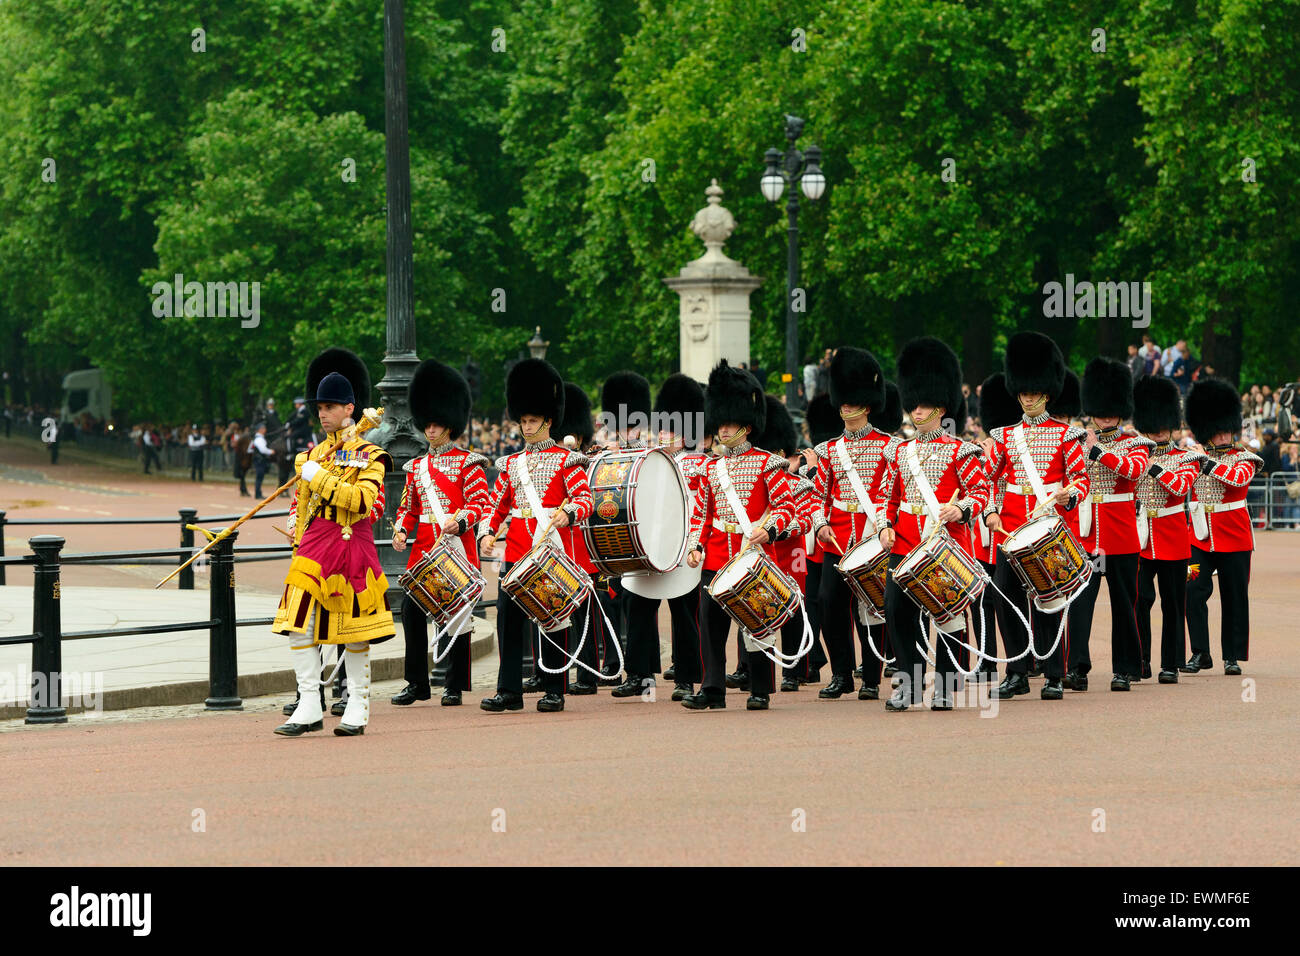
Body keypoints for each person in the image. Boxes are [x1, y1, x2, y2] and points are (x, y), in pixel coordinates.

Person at [272, 348, 394, 737]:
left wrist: (317, 476)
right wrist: (295, 521)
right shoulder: (315, 453)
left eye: (329, 407)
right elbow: (299, 502)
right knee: (297, 621)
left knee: (353, 630)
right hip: (313, 543)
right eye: (319, 406)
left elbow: (362, 502)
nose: (321, 413)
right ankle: (309, 703)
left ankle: (358, 703)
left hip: (350, 542)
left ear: (349, 408)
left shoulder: (371, 454)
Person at [477, 358, 594, 714]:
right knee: (508, 620)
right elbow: (497, 505)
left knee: (553, 616)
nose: (526, 427)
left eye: (532, 421)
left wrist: (567, 512)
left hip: (551, 549)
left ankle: (554, 688)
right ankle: (509, 690)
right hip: (516, 552)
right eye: (523, 421)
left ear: (548, 420)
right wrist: (487, 532)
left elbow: (585, 498)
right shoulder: (511, 464)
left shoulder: (566, 460)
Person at [883, 338, 992, 711]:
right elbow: (889, 497)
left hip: (945, 542)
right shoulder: (899, 451)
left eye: (924, 405)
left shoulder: (963, 450)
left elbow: (980, 493)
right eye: (913, 403)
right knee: (897, 612)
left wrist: (959, 508)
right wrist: (884, 525)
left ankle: (946, 685)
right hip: (904, 544)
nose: (916, 411)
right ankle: (908, 686)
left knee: (945, 616)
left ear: (941, 408)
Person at [681, 360, 796, 711]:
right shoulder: (712, 467)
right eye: (721, 423)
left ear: (746, 425)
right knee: (710, 624)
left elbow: (786, 506)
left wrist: (769, 528)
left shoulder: (767, 463)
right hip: (716, 552)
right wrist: (696, 544)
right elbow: (703, 511)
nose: (723, 430)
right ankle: (712, 687)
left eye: (729, 423)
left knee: (757, 621)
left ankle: (759, 688)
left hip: (753, 552)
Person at [982, 332, 1090, 701]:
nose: (1028, 398)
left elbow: (1081, 479)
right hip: (1011, 528)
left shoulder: (1065, 436)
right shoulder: (1005, 436)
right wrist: (992, 510)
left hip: (1047, 527)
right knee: (1004, 595)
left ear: (1046, 393)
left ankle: (1055, 675)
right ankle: (1017, 670)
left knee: (1050, 600)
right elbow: (989, 479)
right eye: (1024, 393)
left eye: (1034, 393)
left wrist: (1069, 492)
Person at [390, 360, 490, 708]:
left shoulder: (468, 463)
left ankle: (454, 684)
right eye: (427, 425)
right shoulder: (415, 466)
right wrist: (402, 530)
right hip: (424, 551)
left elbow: (481, 504)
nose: (430, 432)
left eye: (436, 425)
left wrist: (460, 521)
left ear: (450, 425)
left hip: (456, 549)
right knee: (412, 612)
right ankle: (417, 682)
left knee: (457, 616)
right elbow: (409, 508)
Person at [809, 347, 898, 701]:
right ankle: (842, 673)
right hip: (836, 537)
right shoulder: (829, 449)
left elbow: (890, 490)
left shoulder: (888, 446)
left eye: (852, 400)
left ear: (868, 403)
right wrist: (819, 524)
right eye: (842, 400)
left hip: (873, 536)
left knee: (873, 609)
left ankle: (872, 678)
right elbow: (817, 494)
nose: (845, 406)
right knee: (829, 602)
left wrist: (882, 525)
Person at [1066, 357, 1151, 692]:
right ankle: (1077, 667)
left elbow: (1132, 471)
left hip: (1121, 537)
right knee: (1080, 603)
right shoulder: (1075, 440)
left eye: (1110, 411)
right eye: (1099, 411)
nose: (1104, 417)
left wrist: (1097, 450)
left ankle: (1125, 668)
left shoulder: (1136, 442)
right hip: (1087, 536)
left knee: (1124, 604)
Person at [1182, 378, 1259, 676]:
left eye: (1228, 430)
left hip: (1236, 539)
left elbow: (1238, 479)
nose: (1225, 435)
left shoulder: (1245, 457)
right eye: (1219, 431)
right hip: (1199, 538)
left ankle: (1233, 656)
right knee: (1193, 589)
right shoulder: (1193, 457)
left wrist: (1208, 464)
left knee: (1234, 595)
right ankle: (1200, 652)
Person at [1132, 375, 1198, 684]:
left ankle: (1170, 663)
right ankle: (1140, 659)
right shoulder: (1133, 457)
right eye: (1153, 425)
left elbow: (1181, 486)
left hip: (1172, 536)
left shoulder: (1184, 457)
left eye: (1162, 426)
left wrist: (1155, 467)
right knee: (1140, 600)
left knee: (1173, 603)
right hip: (1141, 537)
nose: (1158, 431)